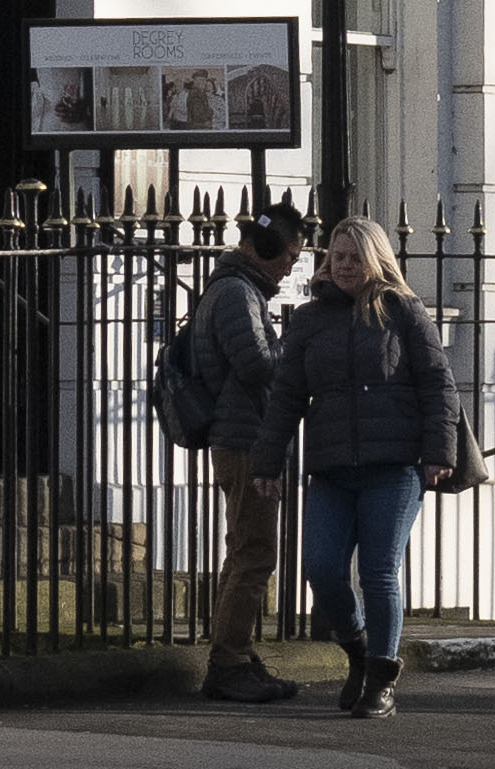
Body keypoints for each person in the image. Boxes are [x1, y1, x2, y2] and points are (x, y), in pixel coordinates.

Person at [252, 213, 459, 718]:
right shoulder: (308, 319)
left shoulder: (403, 311)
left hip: (395, 466)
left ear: (376, 260)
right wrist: (268, 462)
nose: (344, 266)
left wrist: (439, 452)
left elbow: (437, 383)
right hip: (332, 467)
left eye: (354, 258)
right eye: (337, 257)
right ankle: (359, 652)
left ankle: (382, 680)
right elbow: (286, 396)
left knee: (378, 571)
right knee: (322, 570)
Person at [153, 197, 315, 701]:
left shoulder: (234, 290)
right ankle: (227, 663)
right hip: (244, 441)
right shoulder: (235, 294)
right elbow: (257, 366)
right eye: (289, 257)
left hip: (242, 437)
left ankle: (237, 653)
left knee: (245, 549)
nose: (290, 268)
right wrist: (296, 343)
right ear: (264, 247)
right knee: (255, 552)